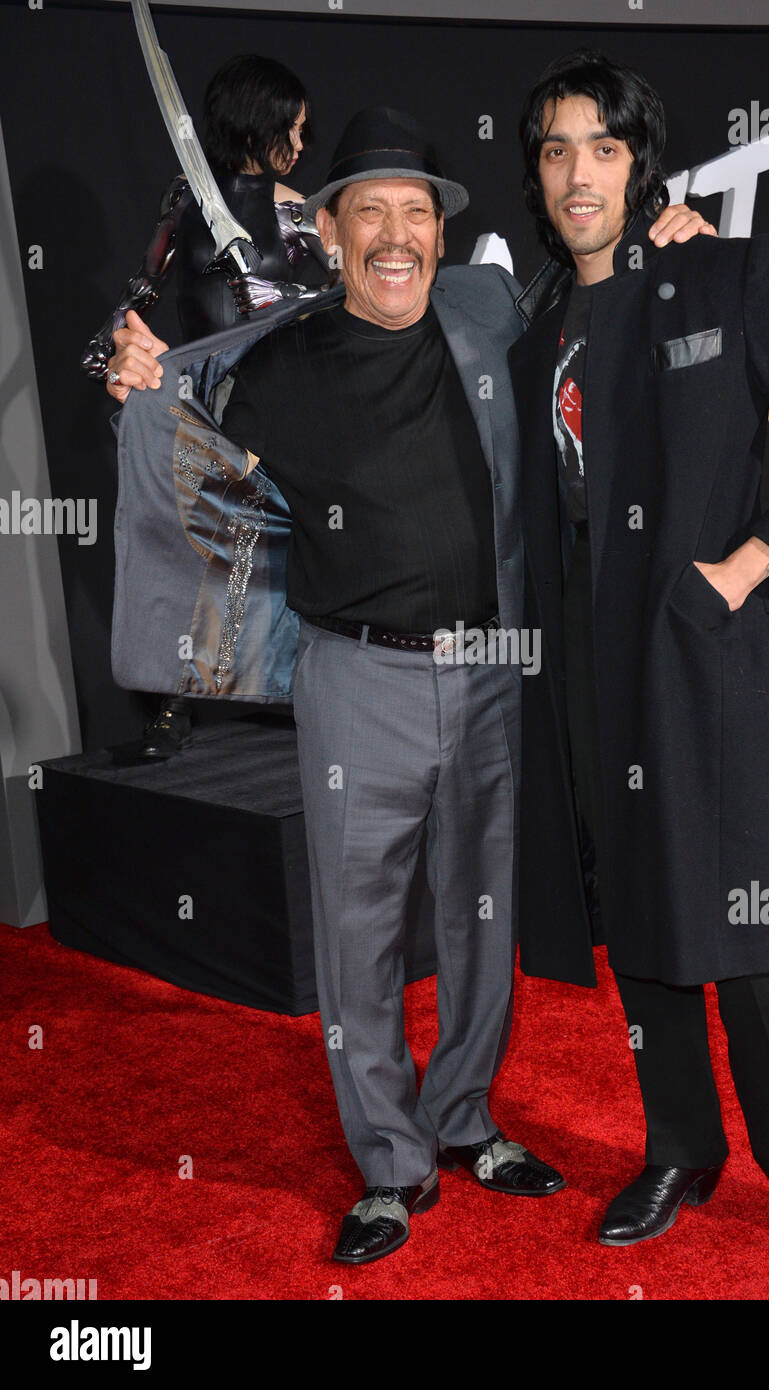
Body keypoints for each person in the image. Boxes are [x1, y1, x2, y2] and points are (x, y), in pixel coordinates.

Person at [104, 103, 713, 1266]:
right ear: (328, 233)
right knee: (359, 931)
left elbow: (597, 315)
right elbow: (172, 411)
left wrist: (662, 243)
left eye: (415, 212)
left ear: (442, 232)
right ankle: (388, 1160)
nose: (394, 234)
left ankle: (466, 1117)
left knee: (485, 911)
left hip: (490, 675)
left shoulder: (487, 312)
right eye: (368, 211)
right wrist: (127, 374)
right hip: (354, 679)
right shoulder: (274, 361)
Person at [509, 50, 769, 1264]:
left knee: (752, 920)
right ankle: (678, 1146)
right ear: (535, 172)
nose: (578, 172)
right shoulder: (533, 326)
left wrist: (736, 572)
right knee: (639, 918)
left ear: (639, 163)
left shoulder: (722, 273)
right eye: (555, 148)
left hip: (700, 651)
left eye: (602, 147)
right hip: (581, 664)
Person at [83, 53, 329, 758]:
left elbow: (347, 296)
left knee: (293, 540)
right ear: (262, 123)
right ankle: (168, 706)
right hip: (203, 398)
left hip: (281, 400)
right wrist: (116, 350)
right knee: (175, 542)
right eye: (296, 129)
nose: (304, 144)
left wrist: (295, 305)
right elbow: (140, 290)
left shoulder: (298, 212)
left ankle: (301, 690)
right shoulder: (183, 205)